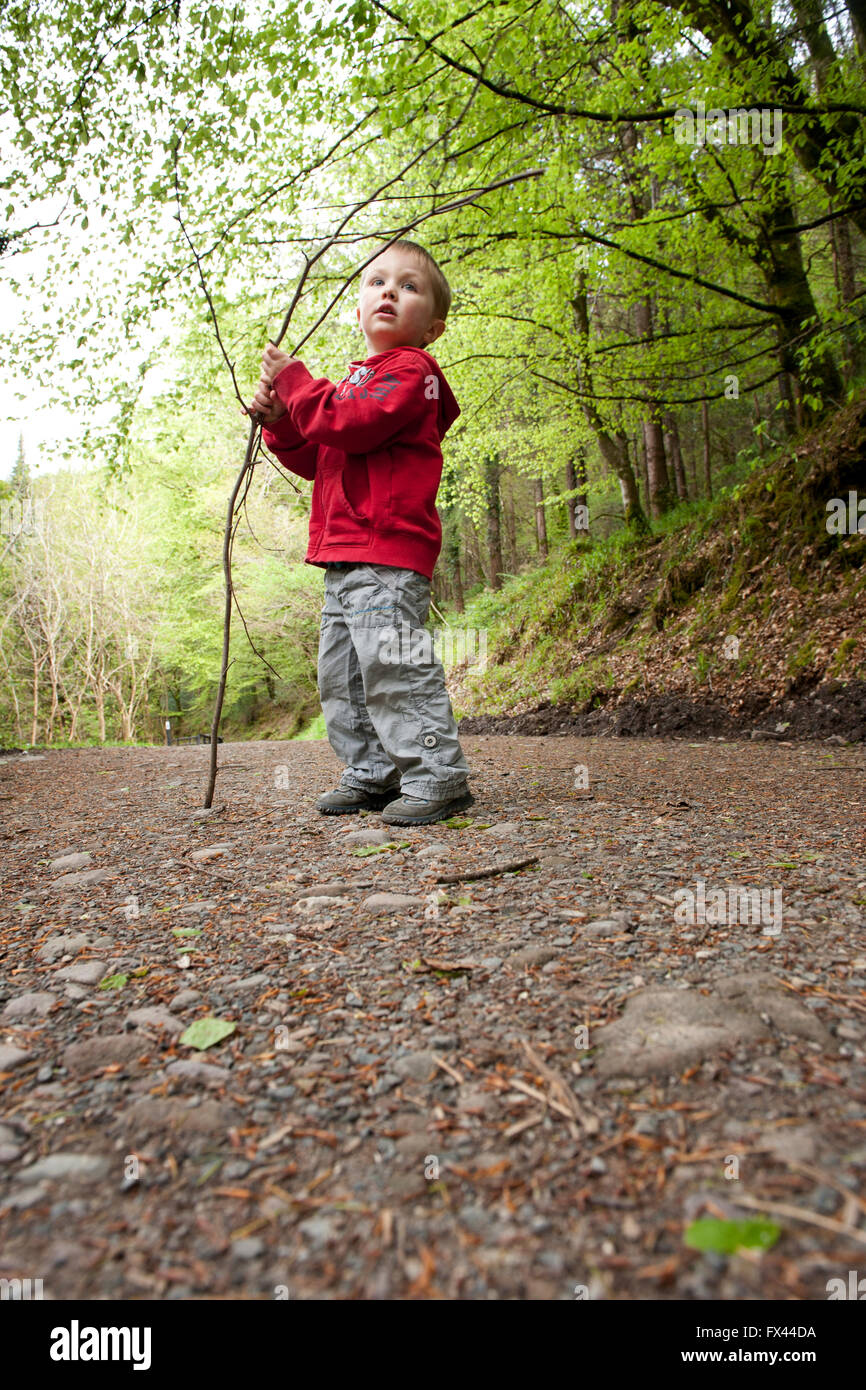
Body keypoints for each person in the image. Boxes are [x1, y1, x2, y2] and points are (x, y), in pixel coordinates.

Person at [245, 239, 473, 826]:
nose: (390, 291)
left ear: (435, 327)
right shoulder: (355, 384)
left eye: (409, 286)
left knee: (394, 666)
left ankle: (437, 776)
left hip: (387, 552)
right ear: (358, 308)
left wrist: (295, 382)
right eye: (377, 282)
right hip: (345, 554)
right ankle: (372, 773)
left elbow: (353, 423)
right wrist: (281, 426)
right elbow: (326, 453)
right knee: (343, 675)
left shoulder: (410, 372)